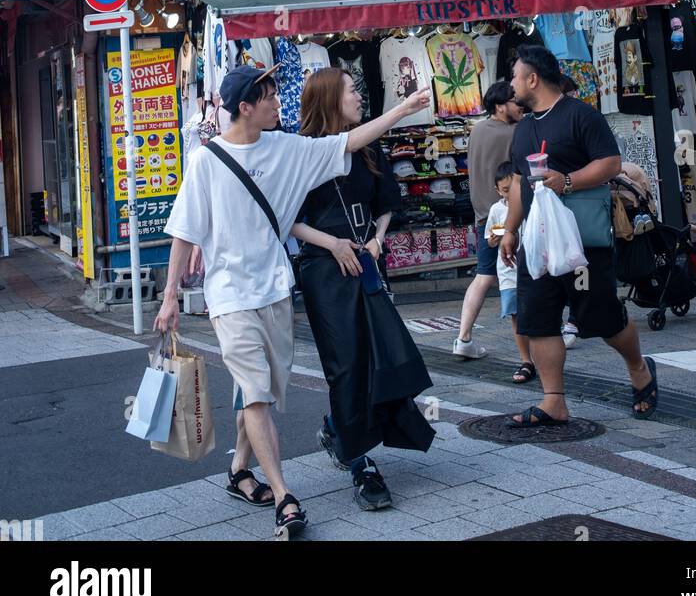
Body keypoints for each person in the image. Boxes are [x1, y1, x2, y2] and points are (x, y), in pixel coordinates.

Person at [154, 64, 431, 541]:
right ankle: (285, 496)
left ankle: (240, 470)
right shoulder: (206, 161)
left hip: (275, 291)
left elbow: (347, 142)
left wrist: (403, 110)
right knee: (257, 395)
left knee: (262, 388)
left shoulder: (286, 147)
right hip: (229, 296)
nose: (278, 101)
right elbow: (185, 231)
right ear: (246, 107)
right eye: (268, 95)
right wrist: (170, 296)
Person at [291, 68, 435, 513]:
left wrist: (376, 237)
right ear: (331, 98)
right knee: (346, 364)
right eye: (353, 90)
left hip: (368, 264)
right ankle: (361, 463)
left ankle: (339, 427)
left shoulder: (367, 143)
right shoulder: (299, 150)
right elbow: (286, 219)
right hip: (324, 270)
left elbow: (387, 202)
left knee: (384, 353)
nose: (359, 96)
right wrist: (331, 243)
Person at [500, 45, 659, 425]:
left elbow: (611, 164)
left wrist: (566, 181)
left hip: (582, 242)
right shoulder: (523, 128)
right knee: (536, 318)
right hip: (537, 243)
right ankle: (553, 400)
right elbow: (520, 183)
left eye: (515, 77)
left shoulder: (581, 115)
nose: (511, 85)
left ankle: (639, 368)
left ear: (533, 79)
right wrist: (507, 231)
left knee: (601, 318)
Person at [453, 80, 522, 359]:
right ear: (499, 106)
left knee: (483, 275)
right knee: (524, 273)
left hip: (484, 217)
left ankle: (463, 338)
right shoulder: (514, 132)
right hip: (509, 216)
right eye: (514, 101)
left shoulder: (477, 130)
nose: (519, 105)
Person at [485, 165, 535, 383]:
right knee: (516, 315)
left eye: (511, 189)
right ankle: (526, 360)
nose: (508, 194)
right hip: (508, 271)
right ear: (497, 190)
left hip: (531, 266)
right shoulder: (497, 210)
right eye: (504, 190)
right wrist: (504, 231)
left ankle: (538, 356)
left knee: (533, 312)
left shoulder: (530, 203)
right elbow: (490, 238)